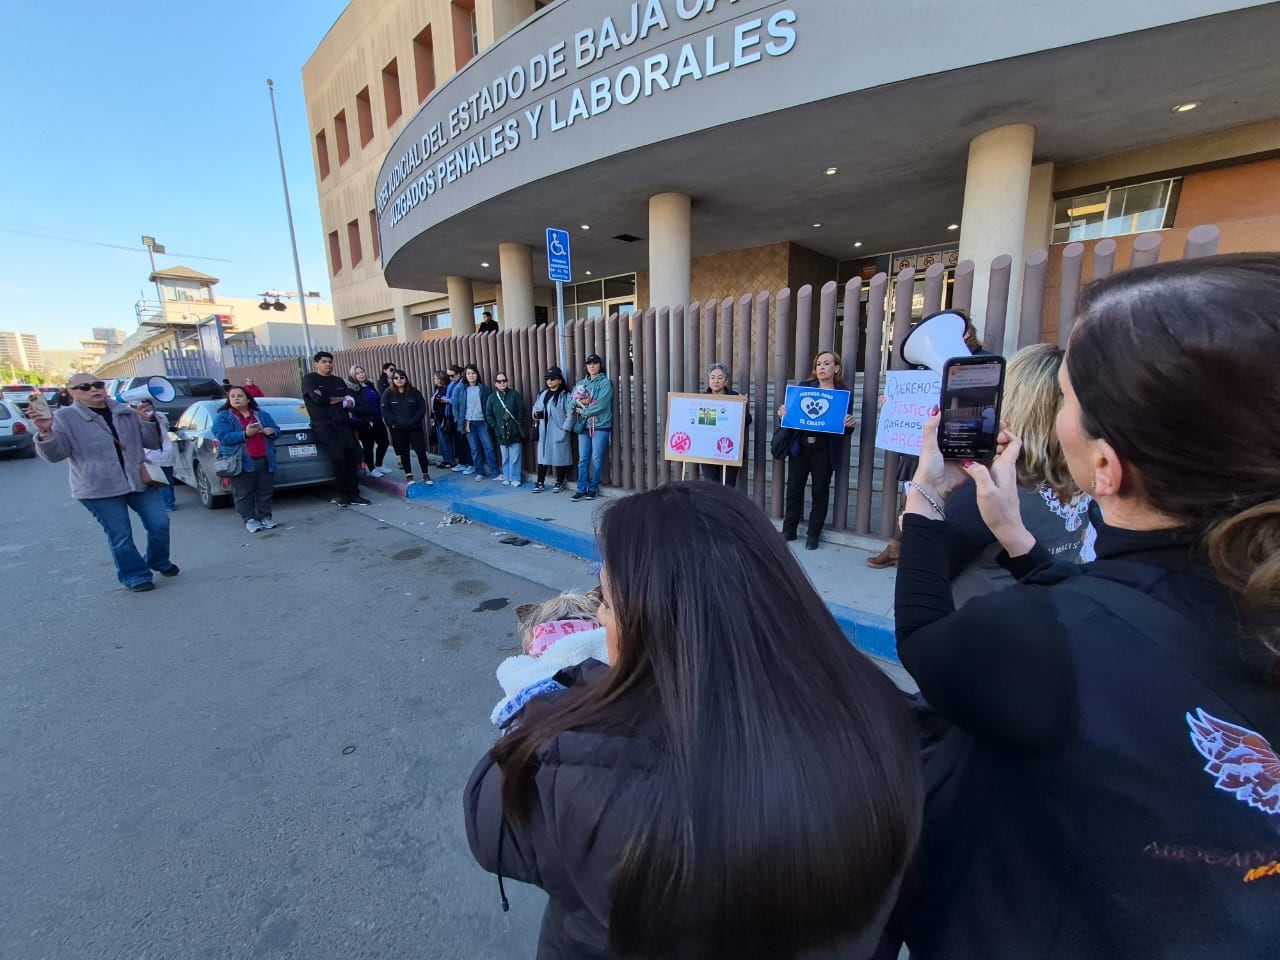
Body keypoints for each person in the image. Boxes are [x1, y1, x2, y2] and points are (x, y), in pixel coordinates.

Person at [893, 254, 1280, 959]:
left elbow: (924, 642)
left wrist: (924, 499)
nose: (1054, 414)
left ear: (1106, 466)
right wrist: (1017, 539)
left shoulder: (1040, 640)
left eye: (1066, 397)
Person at [464, 482, 922, 959]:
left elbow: (491, 822)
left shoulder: (579, 764)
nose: (599, 618)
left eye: (606, 600)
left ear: (659, 623)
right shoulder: (882, 715)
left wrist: (566, 684)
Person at [944, 343, 1093, 606]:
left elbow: (933, 570)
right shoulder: (991, 486)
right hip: (1011, 628)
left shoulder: (992, 485)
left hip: (1008, 628)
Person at [30, 374, 179, 592]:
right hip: (98, 487)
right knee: (121, 535)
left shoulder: (124, 411)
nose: (93, 389)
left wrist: (148, 420)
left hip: (139, 479)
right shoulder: (64, 417)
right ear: (72, 393)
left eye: (98, 384)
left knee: (159, 523)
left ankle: (158, 560)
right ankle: (135, 575)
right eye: (84, 386)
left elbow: (153, 443)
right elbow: (56, 454)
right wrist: (45, 431)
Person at [776, 350, 856, 549]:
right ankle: (789, 530)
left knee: (820, 492)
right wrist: (782, 413)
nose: (821, 367)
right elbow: (790, 415)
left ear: (836, 368)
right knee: (794, 489)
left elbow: (844, 428)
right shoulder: (803, 388)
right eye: (818, 363)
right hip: (801, 447)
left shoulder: (843, 395)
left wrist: (850, 424)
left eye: (826, 363)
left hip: (824, 450)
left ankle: (814, 534)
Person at [301, 351, 371, 507]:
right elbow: (318, 400)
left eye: (330, 362)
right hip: (325, 425)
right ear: (317, 363)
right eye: (324, 362)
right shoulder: (310, 379)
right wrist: (338, 400)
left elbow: (350, 400)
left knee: (352, 457)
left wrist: (335, 400)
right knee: (338, 458)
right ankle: (343, 495)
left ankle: (354, 494)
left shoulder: (338, 381)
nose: (328, 365)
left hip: (344, 424)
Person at [212, 386, 282, 533]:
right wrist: (245, 434)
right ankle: (249, 519)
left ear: (248, 399)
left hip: (264, 458)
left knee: (265, 491)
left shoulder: (260, 414)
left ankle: (265, 517)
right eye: (233, 396)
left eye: (240, 396)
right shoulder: (224, 416)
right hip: (241, 460)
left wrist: (272, 431)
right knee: (243, 492)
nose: (236, 398)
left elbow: (276, 429)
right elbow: (223, 436)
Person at [569, 354, 613, 502]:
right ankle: (581, 488)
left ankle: (593, 488)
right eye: (589, 363)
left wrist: (585, 409)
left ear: (600, 365)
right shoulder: (582, 383)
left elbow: (601, 404)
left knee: (596, 458)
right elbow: (571, 401)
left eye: (595, 363)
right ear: (586, 366)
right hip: (584, 425)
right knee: (583, 458)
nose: (592, 366)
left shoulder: (605, 383)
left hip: (601, 425)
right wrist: (580, 402)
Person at [699, 362, 751, 487]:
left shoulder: (735, 398)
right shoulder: (701, 399)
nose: (715, 381)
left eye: (720, 378)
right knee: (711, 485)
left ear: (726, 381)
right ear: (708, 380)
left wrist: (743, 407)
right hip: (707, 450)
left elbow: (747, 421)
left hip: (729, 449)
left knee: (728, 487)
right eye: (712, 377)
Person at [381, 369, 434, 487]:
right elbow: (385, 411)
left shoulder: (414, 392)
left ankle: (425, 474)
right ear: (392, 380)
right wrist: (393, 423)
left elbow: (422, 408)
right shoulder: (388, 393)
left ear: (406, 379)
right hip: (398, 430)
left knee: (420, 451)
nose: (399, 380)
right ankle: (409, 475)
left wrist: (415, 420)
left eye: (401, 377)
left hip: (414, 428)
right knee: (404, 453)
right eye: (396, 378)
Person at [530, 366, 574, 493]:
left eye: (553, 378)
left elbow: (570, 413)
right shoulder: (543, 394)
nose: (549, 381)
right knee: (543, 457)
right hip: (544, 430)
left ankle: (559, 482)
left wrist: (565, 429)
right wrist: (536, 414)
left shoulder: (566, 395)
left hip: (558, 430)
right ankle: (540, 482)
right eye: (547, 378)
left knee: (560, 456)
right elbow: (536, 408)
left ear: (560, 380)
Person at [457, 363, 499, 480]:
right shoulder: (462, 389)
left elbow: (490, 406)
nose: (471, 376)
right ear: (465, 375)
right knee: (474, 449)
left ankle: (495, 472)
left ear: (477, 374)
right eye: (468, 373)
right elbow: (457, 405)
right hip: (468, 423)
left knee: (489, 447)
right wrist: (459, 421)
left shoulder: (484, 388)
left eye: (473, 373)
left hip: (482, 422)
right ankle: (480, 472)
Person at [485, 370, 527, 487]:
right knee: (505, 456)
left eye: (504, 380)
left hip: (514, 431)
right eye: (499, 381)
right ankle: (507, 476)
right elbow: (488, 414)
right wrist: (495, 426)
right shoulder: (492, 398)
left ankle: (515, 478)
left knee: (515, 456)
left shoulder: (514, 394)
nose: (502, 383)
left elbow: (521, 410)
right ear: (495, 384)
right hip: (501, 432)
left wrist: (517, 422)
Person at [134, 398, 177, 511]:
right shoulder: (161, 415)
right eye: (142, 407)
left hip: (153, 454)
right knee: (168, 479)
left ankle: (168, 504)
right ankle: (171, 501)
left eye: (147, 406)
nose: (146, 409)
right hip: (166, 453)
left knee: (160, 481)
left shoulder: (141, 419)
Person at [348, 363, 390, 477]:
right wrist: (366, 410)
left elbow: (377, 400)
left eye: (362, 372)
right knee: (368, 445)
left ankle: (379, 464)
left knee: (384, 443)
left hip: (377, 419)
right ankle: (371, 469)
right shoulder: (352, 389)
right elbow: (351, 407)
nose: (361, 375)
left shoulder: (370, 385)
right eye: (357, 373)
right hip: (362, 422)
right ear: (353, 376)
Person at [444, 364, 472, 472]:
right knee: (459, 441)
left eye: (452, 375)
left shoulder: (462, 384)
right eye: (449, 376)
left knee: (465, 441)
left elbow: (460, 400)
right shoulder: (453, 384)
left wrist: (448, 400)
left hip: (461, 416)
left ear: (459, 374)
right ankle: (462, 462)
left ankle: (470, 464)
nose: (450, 378)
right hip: (453, 415)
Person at [429, 371, 457, 468]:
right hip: (437, 418)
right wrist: (432, 417)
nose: (434, 380)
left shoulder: (445, 390)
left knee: (445, 440)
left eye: (435, 378)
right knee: (441, 441)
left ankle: (450, 460)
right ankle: (445, 459)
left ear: (440, 379)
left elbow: (444, 403)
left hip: (443, 418)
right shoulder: (437, 389)